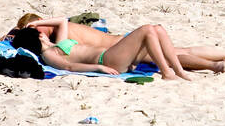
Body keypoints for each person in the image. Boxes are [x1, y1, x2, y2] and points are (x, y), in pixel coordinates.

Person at [11, 19, 194, 80]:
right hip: (106, 60)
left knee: (157, 29)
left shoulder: (57, 43)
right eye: (37, 31)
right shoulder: (49, 55)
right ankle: (166, 72)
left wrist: (37, 22)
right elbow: (70, 67)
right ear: (37, 38)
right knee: (146, 30)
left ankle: (176, 70)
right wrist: (98, 68)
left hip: (114, 57)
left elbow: (62, 21)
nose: (41, 32)